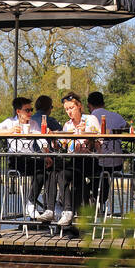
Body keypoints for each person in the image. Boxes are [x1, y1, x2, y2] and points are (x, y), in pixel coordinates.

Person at [0, 97, 52, 222]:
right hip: (16, 160)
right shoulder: (10, 122)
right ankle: (33, 205)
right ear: (18, 112)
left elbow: (42, 140)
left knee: (46, 168)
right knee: (40, 166)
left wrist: (46, 154)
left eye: (31, 110)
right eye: (27, 110)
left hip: (31, 158)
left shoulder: (33, 123)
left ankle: (39, 204)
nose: (30, 113)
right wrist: (9, 132)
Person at [52, 92, 102, 228]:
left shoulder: (90, 119)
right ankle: (67, 210)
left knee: (73, 172)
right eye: (67, 109)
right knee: (61, 173)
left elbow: (99, 143)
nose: (69, 112)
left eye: (71, 108)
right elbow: (61, 145)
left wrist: (86, 133)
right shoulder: (68, 125)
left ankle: (71, 212)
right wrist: (53, 139)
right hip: (74, 162)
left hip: (90, 160)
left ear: (79, 106)